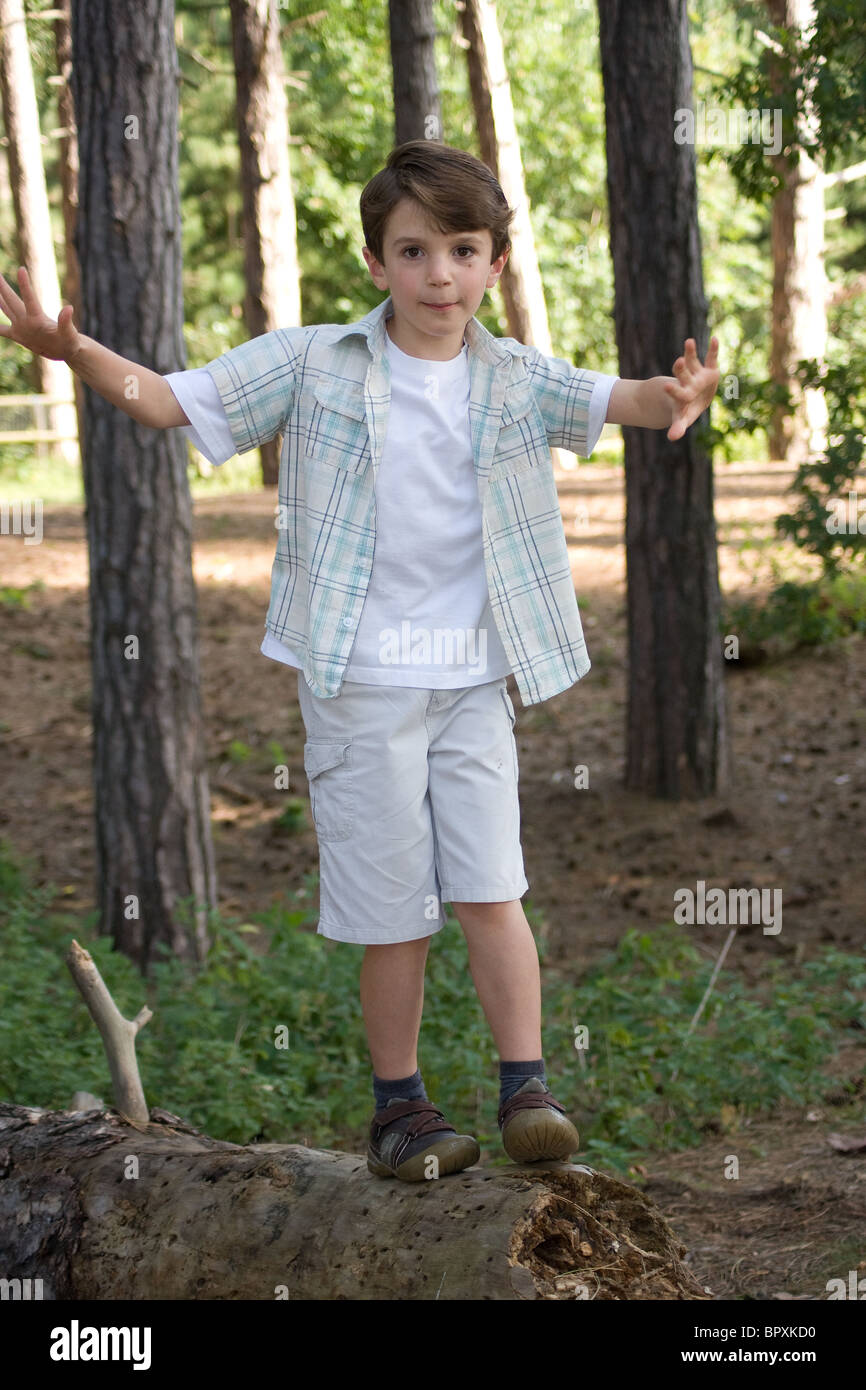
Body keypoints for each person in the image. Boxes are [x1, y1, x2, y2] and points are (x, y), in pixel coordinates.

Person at [0, 139, 720, 1184]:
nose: (440, 274)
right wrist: (72, 353)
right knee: (394, 908)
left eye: (462, 250)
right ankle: (400, 1111)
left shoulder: (513, 376)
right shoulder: (316, 363)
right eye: (414, 250)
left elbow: (627, 402)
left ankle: (527, 1087)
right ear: (377, 264)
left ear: (492, 264)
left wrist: (681, 393)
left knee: (490, 886)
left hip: (472, 681)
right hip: (361, 684)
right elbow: (163, 400)